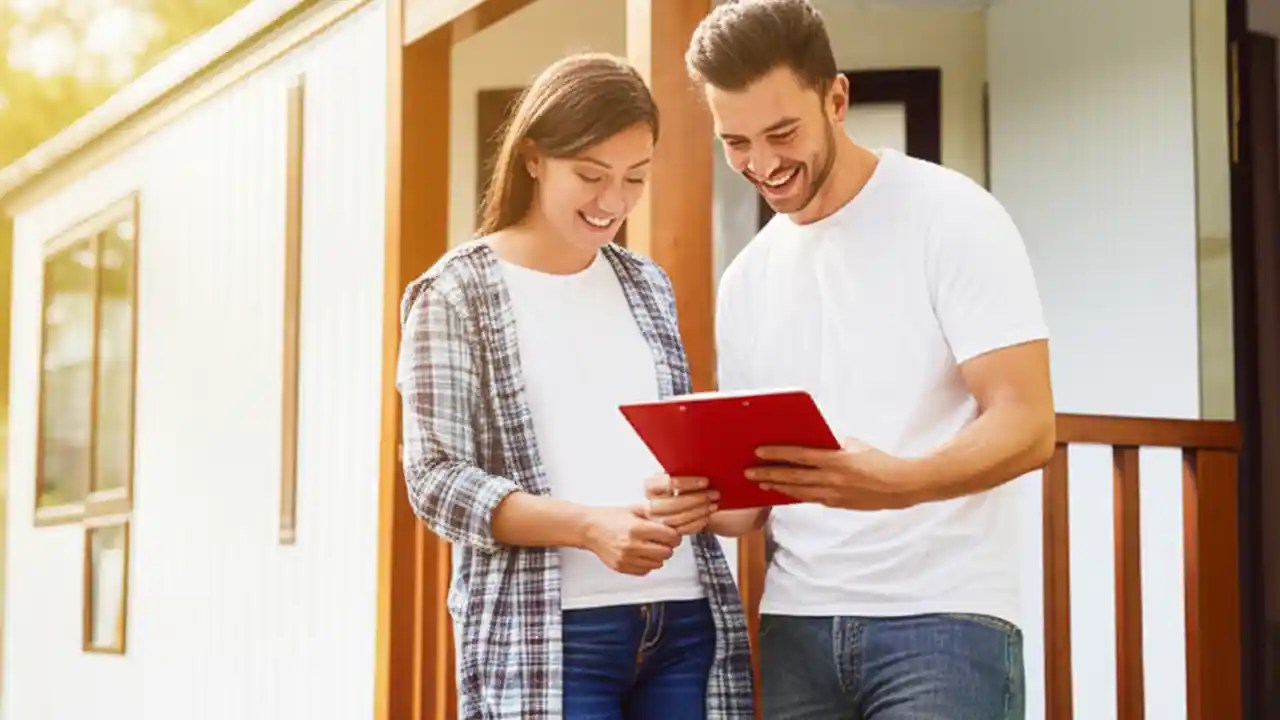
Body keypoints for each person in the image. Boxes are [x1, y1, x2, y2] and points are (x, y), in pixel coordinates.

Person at [645, 2, 1055, 718]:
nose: (763, 164)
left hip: (946, 620)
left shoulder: (950, 216)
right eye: (735, 141)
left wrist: (896, 483)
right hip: (797, 625)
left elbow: (1028, 423)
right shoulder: (747, 278)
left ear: (836, 98)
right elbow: (749, 508)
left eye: (782, 132)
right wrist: (699, 500)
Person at [396, 53, 754, 720]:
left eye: (634, 178)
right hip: (552, 633)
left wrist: (699, 492)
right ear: (533, 158)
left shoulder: (647, 286)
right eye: (591, 175)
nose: (613, 201)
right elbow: (436, 479)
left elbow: (669, 445)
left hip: (684, 618)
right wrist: (590, 526)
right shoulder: (456, 292)